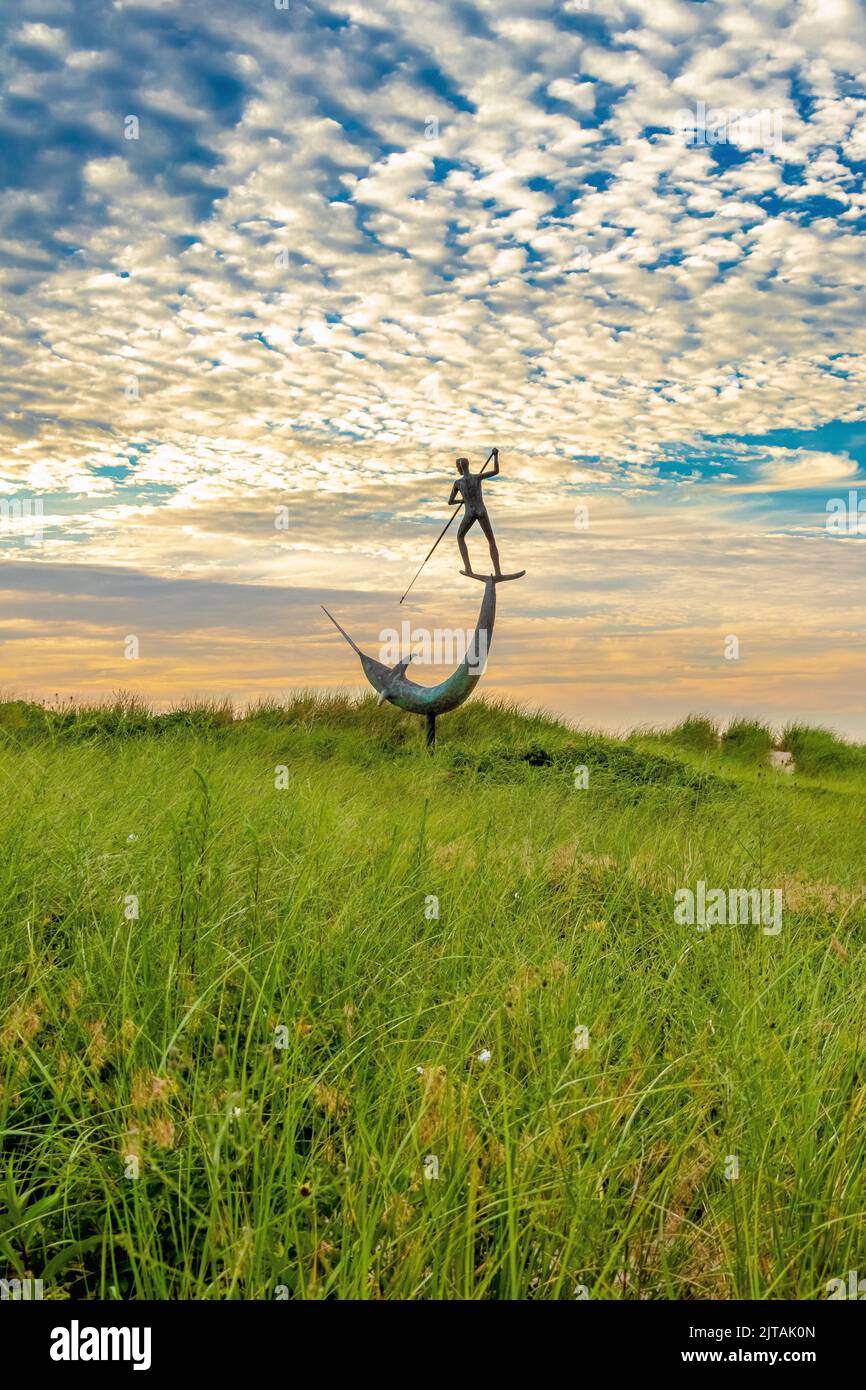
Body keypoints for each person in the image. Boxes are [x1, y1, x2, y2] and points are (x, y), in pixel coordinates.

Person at [448, 449, 502, 577]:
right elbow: (496, 471)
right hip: (481, 511)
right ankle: (498, 572)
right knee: (491, 540)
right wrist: (496, 455)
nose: (457, 470)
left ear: (460, 467)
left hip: (469, 513)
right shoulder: (477, 477)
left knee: (460, 537)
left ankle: (468, 569)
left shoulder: (458, 483)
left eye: (457, 468)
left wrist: (462, 500)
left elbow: (450, 501)